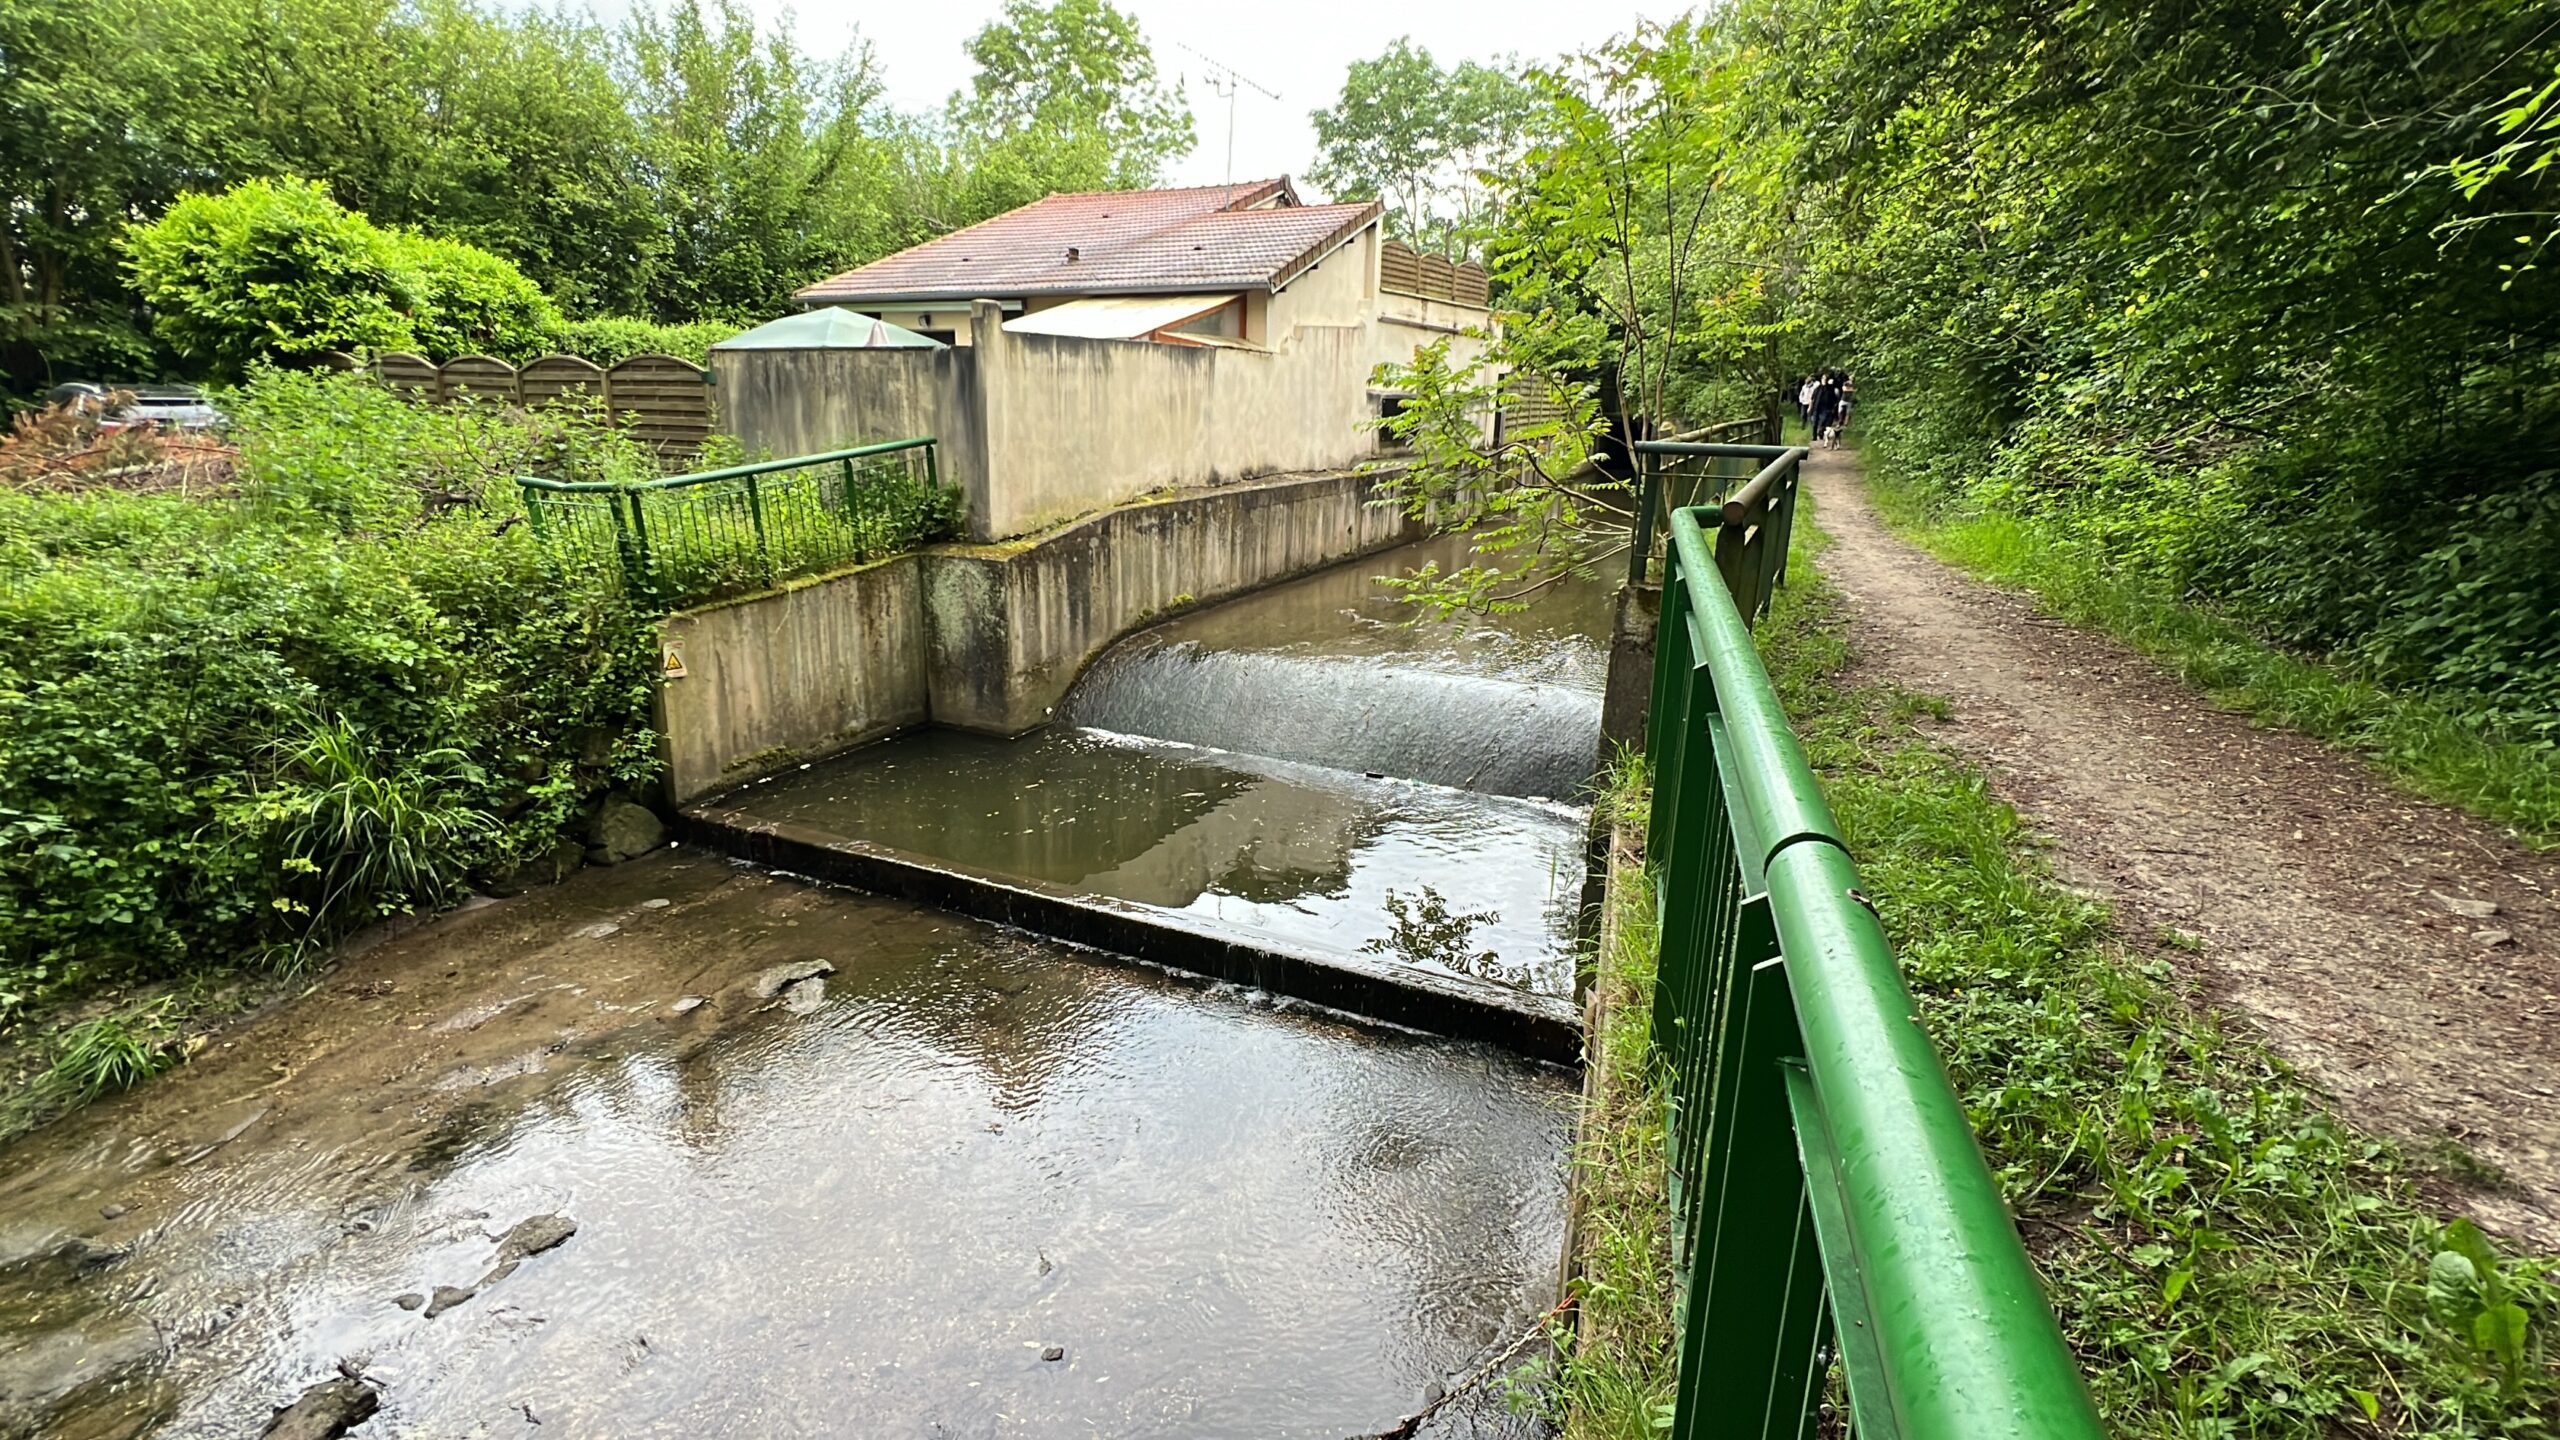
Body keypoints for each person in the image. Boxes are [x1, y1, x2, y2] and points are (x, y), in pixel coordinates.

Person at [1807, 372, 1841, 446]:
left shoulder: (1831, 389)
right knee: (1815, 422)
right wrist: (1810, 407)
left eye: (1825, 379)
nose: (1824, 380)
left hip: (1826, 408)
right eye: (1823, 378)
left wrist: (1833, 408)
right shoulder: (1817, 388)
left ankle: (1821, 433)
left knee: (1823, 422)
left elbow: (1835, 399)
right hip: (1817, 407)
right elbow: (1812, 399)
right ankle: (1814, 436)